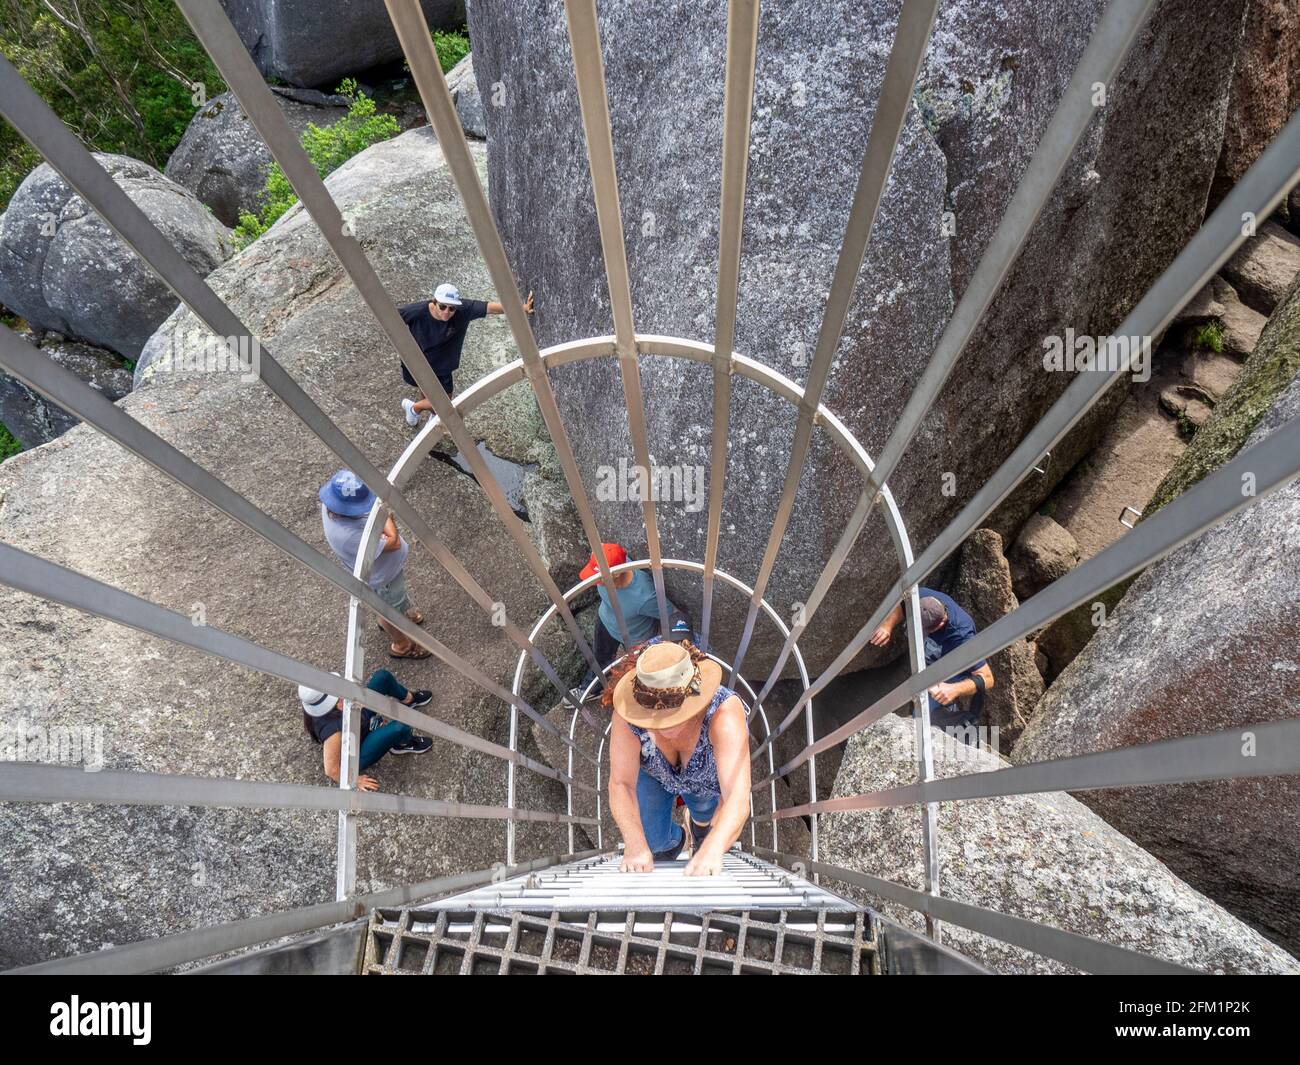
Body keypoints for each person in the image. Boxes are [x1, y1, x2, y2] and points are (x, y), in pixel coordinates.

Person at [606, 638, 751, 876]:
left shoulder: (723, 713)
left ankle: (698, 825)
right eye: (651, 716)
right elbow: (621, 783)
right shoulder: (627, 716)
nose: (663, 727)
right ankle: (679, 839)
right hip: (654, 773)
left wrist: (712, 850)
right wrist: (634, 844)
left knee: (704, 815)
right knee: (652, 844)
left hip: (704, 778)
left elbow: (737, 795)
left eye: (674, 716)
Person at [318, 469, 430, 660]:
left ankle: (404, 613)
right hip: (382, 577)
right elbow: (392, 541)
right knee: (388, 612)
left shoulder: (332, 505)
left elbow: (380, 519)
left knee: (396, 599)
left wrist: (383, 528)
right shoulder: (347, 536)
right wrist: (386, 519)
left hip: (386, 571)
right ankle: (402, 645)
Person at [397, 281, 535, 426]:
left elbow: (491, 308)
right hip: (418, 362)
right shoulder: (416, 311)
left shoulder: (464, 310)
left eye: (451, 309)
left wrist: (523, 308)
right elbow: (392, 317)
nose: (446, 312)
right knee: (438, 398)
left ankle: (427, 412)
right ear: (434, 302)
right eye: (442, 306)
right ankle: (415, 408)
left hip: (442, 365)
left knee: (442, 399)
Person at [572, 543, 693, 698]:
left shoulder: (644, 596)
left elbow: (675, 615)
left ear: (615, 574)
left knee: (635, 674)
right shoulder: (616, 562)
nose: (595, 581)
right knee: (600, 658)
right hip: (605, 622)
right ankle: (590, 689)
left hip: (634, 639)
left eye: (598, 577)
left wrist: (678, 648)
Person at [869, 586, 995, 735]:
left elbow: (988, 678)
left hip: (953, 662)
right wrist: (887, 626)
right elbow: (903, 602)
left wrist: (953, 689)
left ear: (941, 624)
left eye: (924, 629)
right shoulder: (922, 596)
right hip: (935, 651)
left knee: (925, 712)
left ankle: (944, 721)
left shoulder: (961, 636)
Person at [299, 669, 434, 791]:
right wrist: (354, 780)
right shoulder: (331, 730)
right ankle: (402, 744)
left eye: (338, 693)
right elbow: (330, 769)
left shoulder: (323, 705)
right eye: (336, 701)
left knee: (382, 677)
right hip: (356, 749)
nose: (342, 699)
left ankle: (409, 699)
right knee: (400, 727)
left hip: (359, 720)